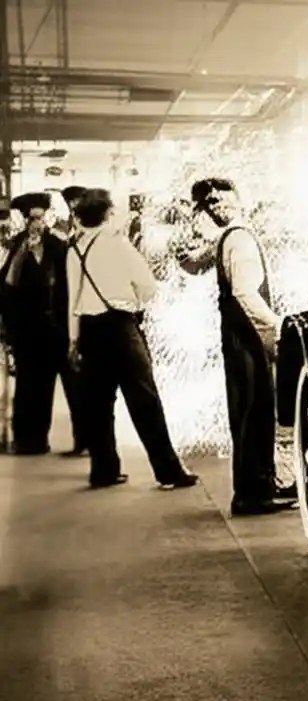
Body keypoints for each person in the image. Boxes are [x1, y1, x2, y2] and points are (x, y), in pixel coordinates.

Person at [66, 189, 197, 489]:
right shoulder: (118, 244)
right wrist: (134, 303)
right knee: (144, 401)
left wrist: (73, 339)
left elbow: (72, 300)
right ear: (107, 213)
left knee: (98, 405)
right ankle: (168, 471)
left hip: (89, 331)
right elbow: (148, 285)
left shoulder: (74, 250)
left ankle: (104, 470)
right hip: (120, 327)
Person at [181, 178, 292, 516]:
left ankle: (259, 484)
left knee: (247, 412)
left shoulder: (227, 236)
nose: (218, 207)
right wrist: (278, 326)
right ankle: (253, 493)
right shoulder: (240, 238)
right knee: (254, 412)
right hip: (247, 337)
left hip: (236, 335)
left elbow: (194, 263)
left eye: (219, 201)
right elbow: (245, 293)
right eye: (213, 203)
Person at [0, 192, 86, 455]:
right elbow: (7, 286)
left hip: (60, 328)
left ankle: (85, 439)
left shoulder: (59, 246)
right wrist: (22, 253)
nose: (36, 224)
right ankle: (31, 441)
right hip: (29, 331)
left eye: (39, 217)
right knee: (31, 386)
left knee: (75, 386)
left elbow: (72, 283)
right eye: (31, 218)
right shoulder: (17, 247)